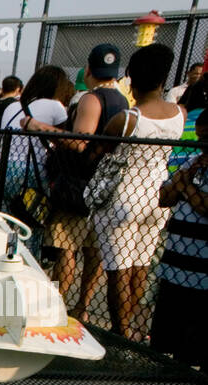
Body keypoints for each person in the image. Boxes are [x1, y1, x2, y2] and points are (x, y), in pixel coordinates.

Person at [90, 43, 184, 340]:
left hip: (123, 195)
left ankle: (121, 333)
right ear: (162, 80)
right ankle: (132, 328)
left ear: (130, 77)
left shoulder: (127, 119)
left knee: (118, 269)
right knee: (142, 264)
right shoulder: (179, 113)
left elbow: (99, 150)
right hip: (157, 195)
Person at [45, 44, 132, 320]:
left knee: (67, 247)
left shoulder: (90, 99)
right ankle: (83, 305)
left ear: (89, 70)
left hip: (79, 185)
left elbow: (80, 142)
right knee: (93, 250)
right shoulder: (123, 102)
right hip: (106, 186)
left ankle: (57, 302)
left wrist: (42, 128)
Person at [150, 109, 208, 366]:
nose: (200, 144)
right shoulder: (193, 161)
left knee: (193, 342)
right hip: (174, 266)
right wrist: (183, 184)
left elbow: (205, 206)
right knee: (165, 338)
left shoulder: (191, 170)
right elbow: (164, 197)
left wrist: (185, 186)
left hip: (202, 275)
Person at [0, 65, 72, 203]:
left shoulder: (12, 106)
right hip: (32, 172)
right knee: (30, 220)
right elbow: (64, 140)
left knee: (0, 220)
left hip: (1, 170)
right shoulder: (56, 106)